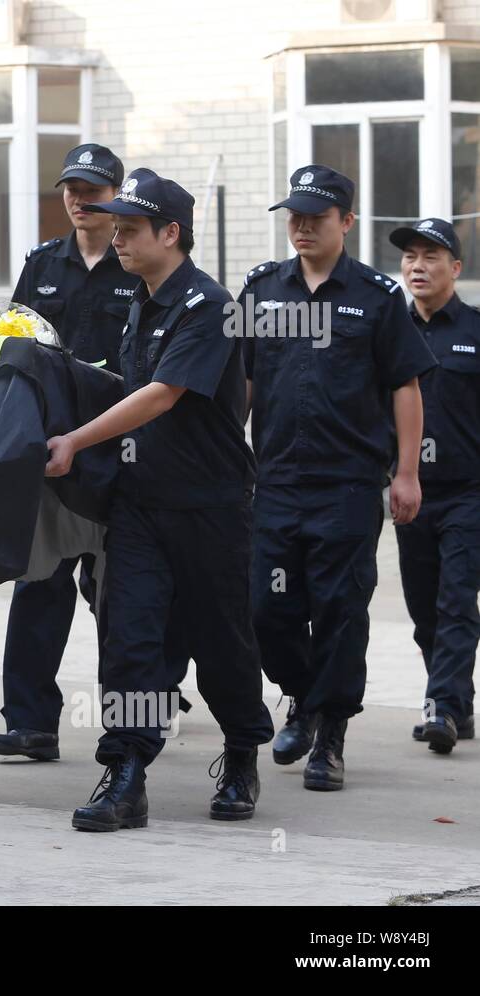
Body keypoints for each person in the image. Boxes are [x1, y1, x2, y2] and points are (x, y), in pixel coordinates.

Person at [44, 167, 274, 830]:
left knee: (222, 642)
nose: (117, 236)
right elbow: (127, 384)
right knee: (130, 641)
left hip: (211, 506)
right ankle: (125, 772)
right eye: (115, 225)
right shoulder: (141, 301)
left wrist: (77, 439)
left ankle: (239, 754)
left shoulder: (210, 307)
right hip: (141, 503)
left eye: (132, 227)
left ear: (171, 233)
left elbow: (160, 394)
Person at [0, 143, 188, 762]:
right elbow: (13, 340)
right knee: (39, 579)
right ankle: (30, 722)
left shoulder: (140, 262)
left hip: (123, 444)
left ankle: (137, 711)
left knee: (124, 590)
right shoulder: (44, 263)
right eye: (70, 189)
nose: (77, 200)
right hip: (52, 446)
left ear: (118, 195)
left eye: (92, 190)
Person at [242, 166, 435, 791]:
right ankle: (301, 695)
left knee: (339, 611)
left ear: (347, 222)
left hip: (348, 486)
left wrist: (405, 473)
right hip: (273, 482)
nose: (301, 227)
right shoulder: (263, 290)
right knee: (266, 607)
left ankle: (330, 735)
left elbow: (404, 385)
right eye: (293, 216)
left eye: (316, 217)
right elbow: (242, 383)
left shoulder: (378, 297)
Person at [389, 218, 479, 754]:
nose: (417, 266)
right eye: (409, 257)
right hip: (410, 492)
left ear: (456, 268)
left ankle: (441, 706)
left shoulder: (474, 330)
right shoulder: (390, 332)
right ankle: (456, 704)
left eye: (431, 257)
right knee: (425, 610)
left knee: (455, 601)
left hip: (469, 492)